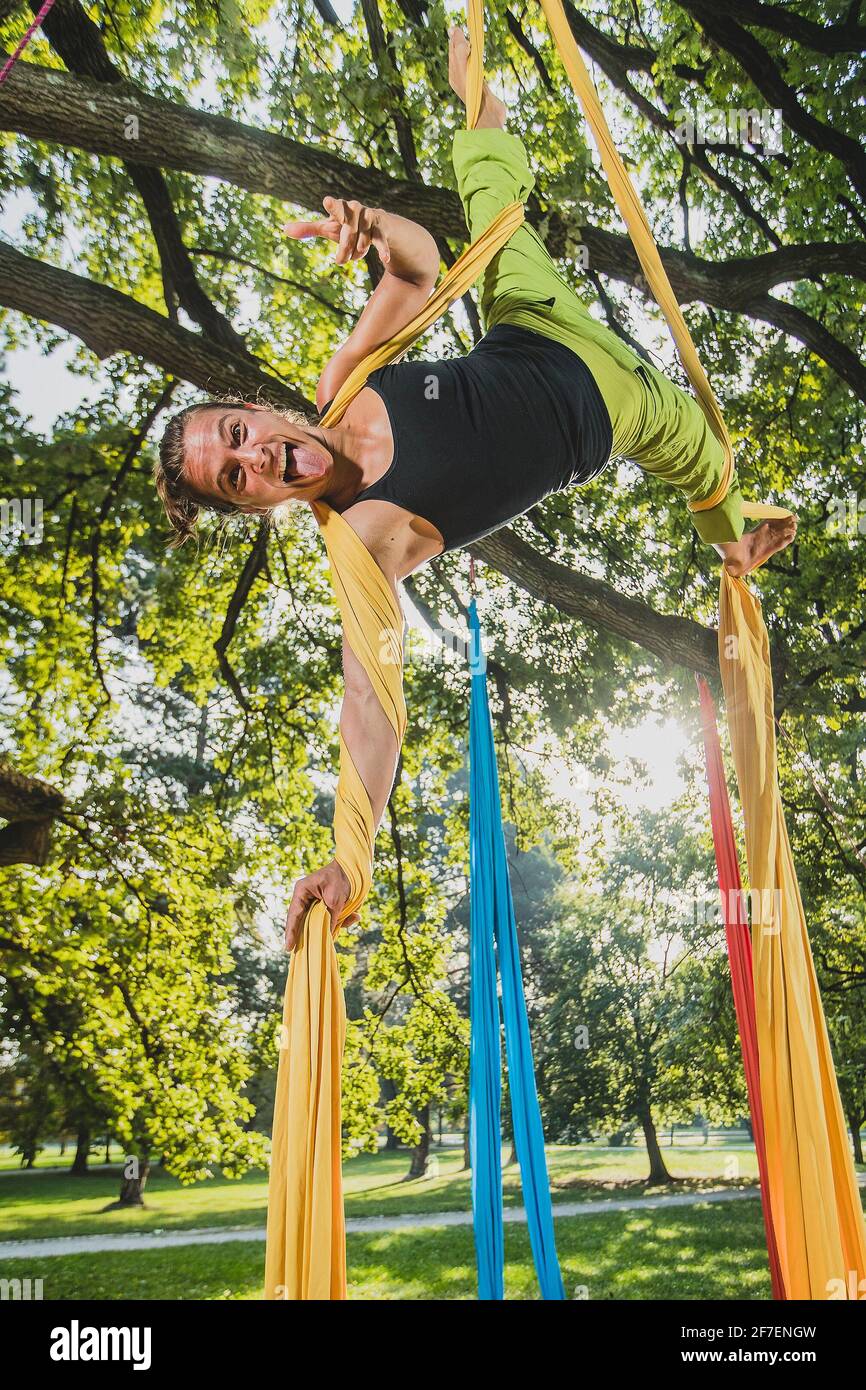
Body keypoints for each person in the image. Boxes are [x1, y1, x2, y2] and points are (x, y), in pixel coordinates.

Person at [153, 26, 796, 947]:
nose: (252, 459)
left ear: (257, 409)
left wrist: (372, 228)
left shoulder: (345, 379)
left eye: (238, 435)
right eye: (234, 479)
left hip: (530, 316)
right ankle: (736, 539)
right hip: (622, 412)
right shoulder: (361, 544)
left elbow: (418, 266)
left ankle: (478, 92)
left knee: (487, 181)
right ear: (253, 505)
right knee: (715, 480)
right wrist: (351, 857)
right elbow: (370, 704)